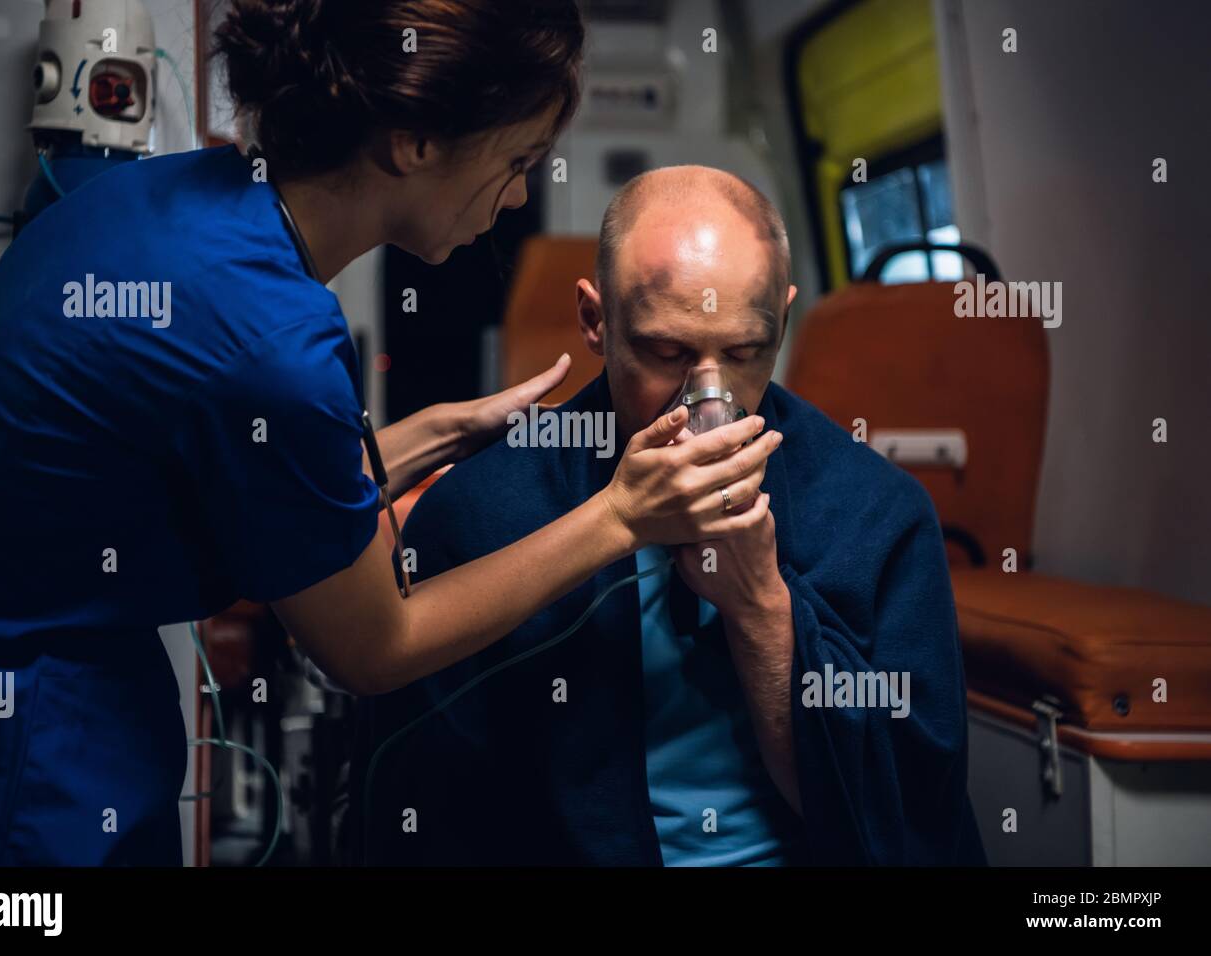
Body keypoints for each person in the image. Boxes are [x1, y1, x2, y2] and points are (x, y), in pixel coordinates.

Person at [0, 3, 780, 865]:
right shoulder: (274, 340)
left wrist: (432, 435)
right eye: (517, 160)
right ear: (416, 143)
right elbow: (375, 646)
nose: (517, 194)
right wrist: (622, 518)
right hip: (21, 748)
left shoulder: (160, 199)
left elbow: (261, 485)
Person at [348, 166, 987, 866]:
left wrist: (762, 609)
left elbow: (911, 824)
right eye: (666, 352)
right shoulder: (480, 514)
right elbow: (424, 816)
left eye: (745, 352)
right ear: (596, 320)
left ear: (783, 314)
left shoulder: (877, 512)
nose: (705, 399)